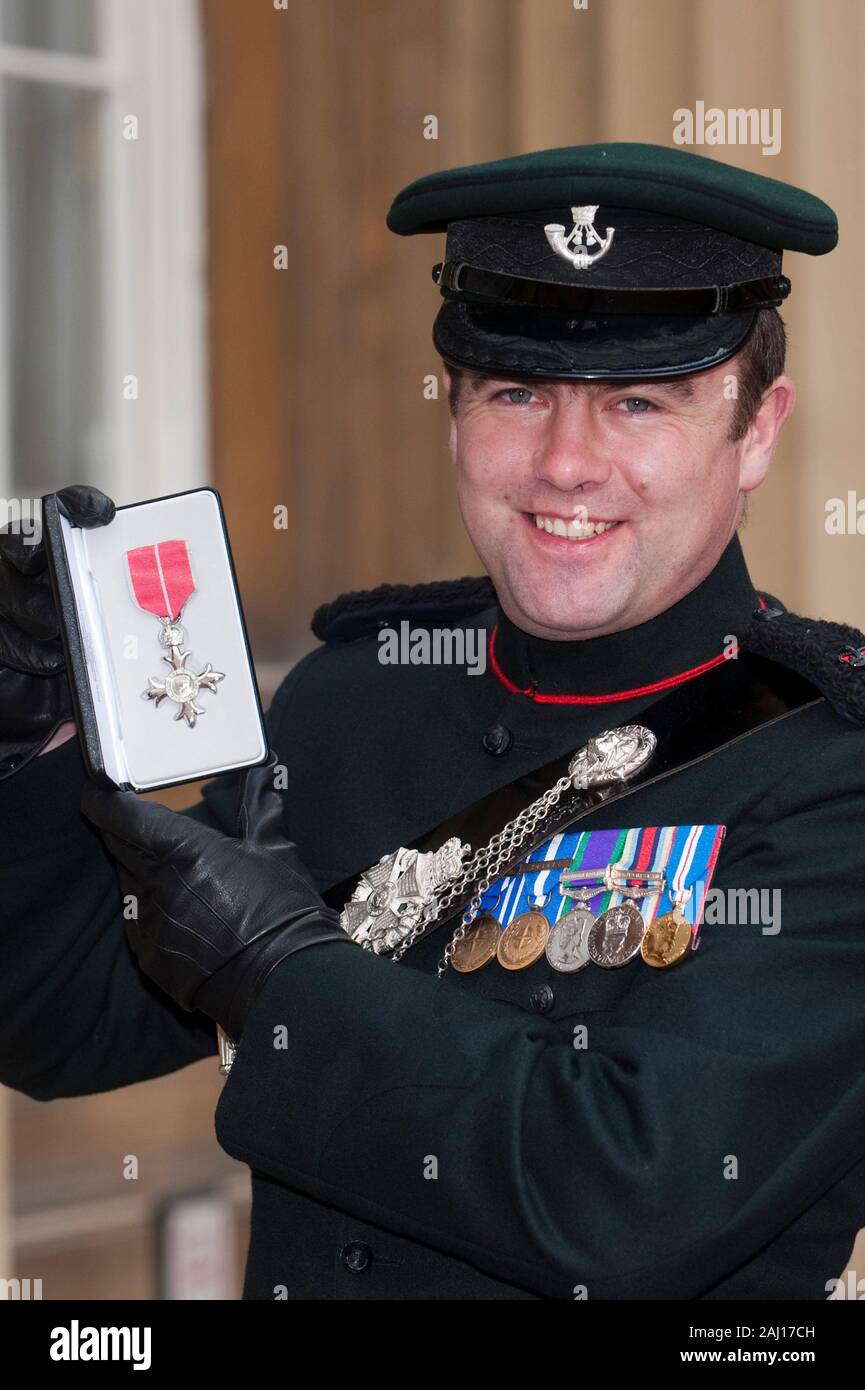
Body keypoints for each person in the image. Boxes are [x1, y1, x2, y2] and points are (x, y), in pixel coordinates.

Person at [2, 142, 865, 1301]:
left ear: (756, 429)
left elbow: (630, 1200)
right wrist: (40, 744)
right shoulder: (352, 703)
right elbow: (62, 1028)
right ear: (452, 412)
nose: (565, 463)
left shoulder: (829, 771)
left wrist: (280, 978)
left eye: (637, 404)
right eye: (515, 394)